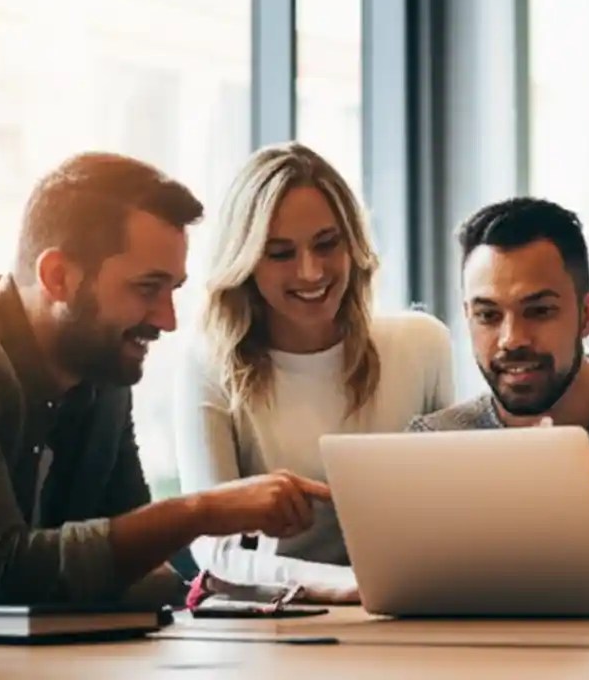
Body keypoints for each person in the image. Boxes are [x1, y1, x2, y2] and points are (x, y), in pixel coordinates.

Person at [0, 153, 331, 606]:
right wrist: (204, 510)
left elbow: (140, 566)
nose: (167, 320)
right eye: (147, 288)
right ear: (57, 277)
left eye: (172, 290)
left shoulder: (100, 371)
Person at [175, 142, 453, 601]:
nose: (310, 272)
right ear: (245, 262)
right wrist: (350, 586)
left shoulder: (422, 344)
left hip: (407, 605)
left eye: (327, 244)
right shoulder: (209, 362)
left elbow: (455, 509)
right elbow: (216, 550)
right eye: (280, 253)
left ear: (353, 244)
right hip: (279, 620)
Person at [408, 198, 589, 531]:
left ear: (587, 314)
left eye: (539, 311)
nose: (512, 339)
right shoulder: (433, 449)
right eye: (488, 315)